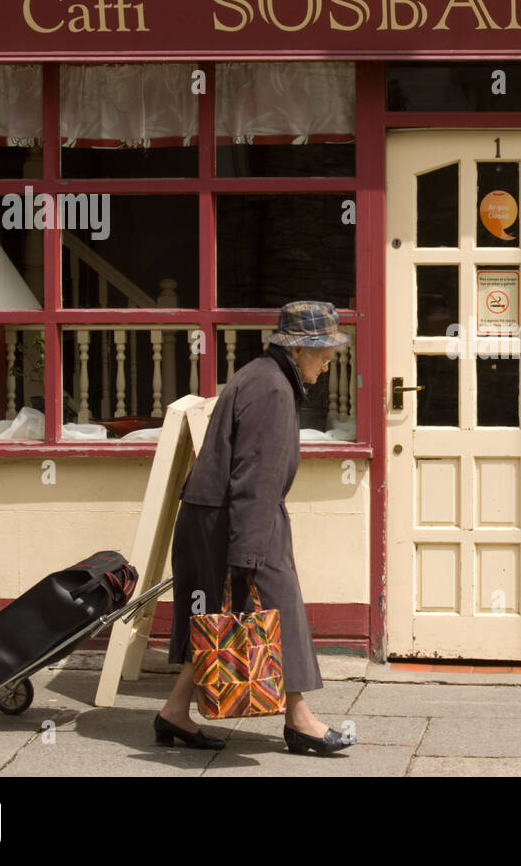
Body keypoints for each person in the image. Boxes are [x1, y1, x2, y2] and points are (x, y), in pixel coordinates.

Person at [155, 300, 355, 756]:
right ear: (298, 349)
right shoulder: (272, 389)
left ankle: (173, 712)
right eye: (322, 351)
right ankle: (300, 720)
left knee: (220, 619)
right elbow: (256, 475)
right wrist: (247, 554)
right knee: (276, 609)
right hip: (237, 519)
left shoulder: (263, 376)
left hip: (223, 516)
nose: (328, 361)